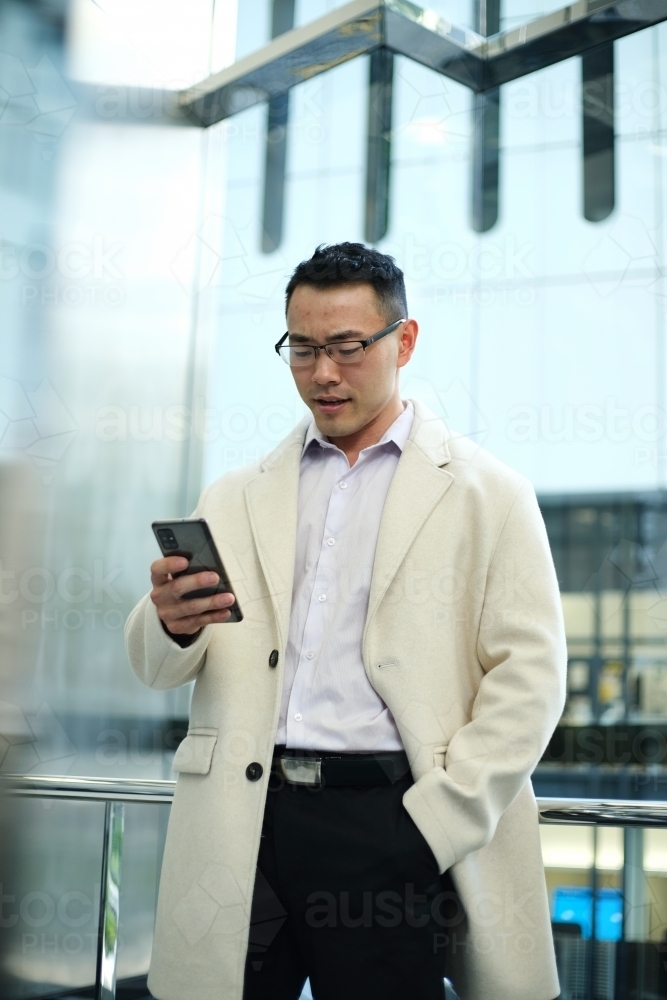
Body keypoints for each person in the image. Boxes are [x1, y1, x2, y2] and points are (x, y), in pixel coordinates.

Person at [125, 242, 567, 1000]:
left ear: (404, 340)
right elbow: (154, 667)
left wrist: (432, 824)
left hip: (387, 823)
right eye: (302, 349)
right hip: (241, 822)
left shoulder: (486, 493)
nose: (322, 373)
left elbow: (531, 681)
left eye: (346, 347)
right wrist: (171, 623)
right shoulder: (235, 493)